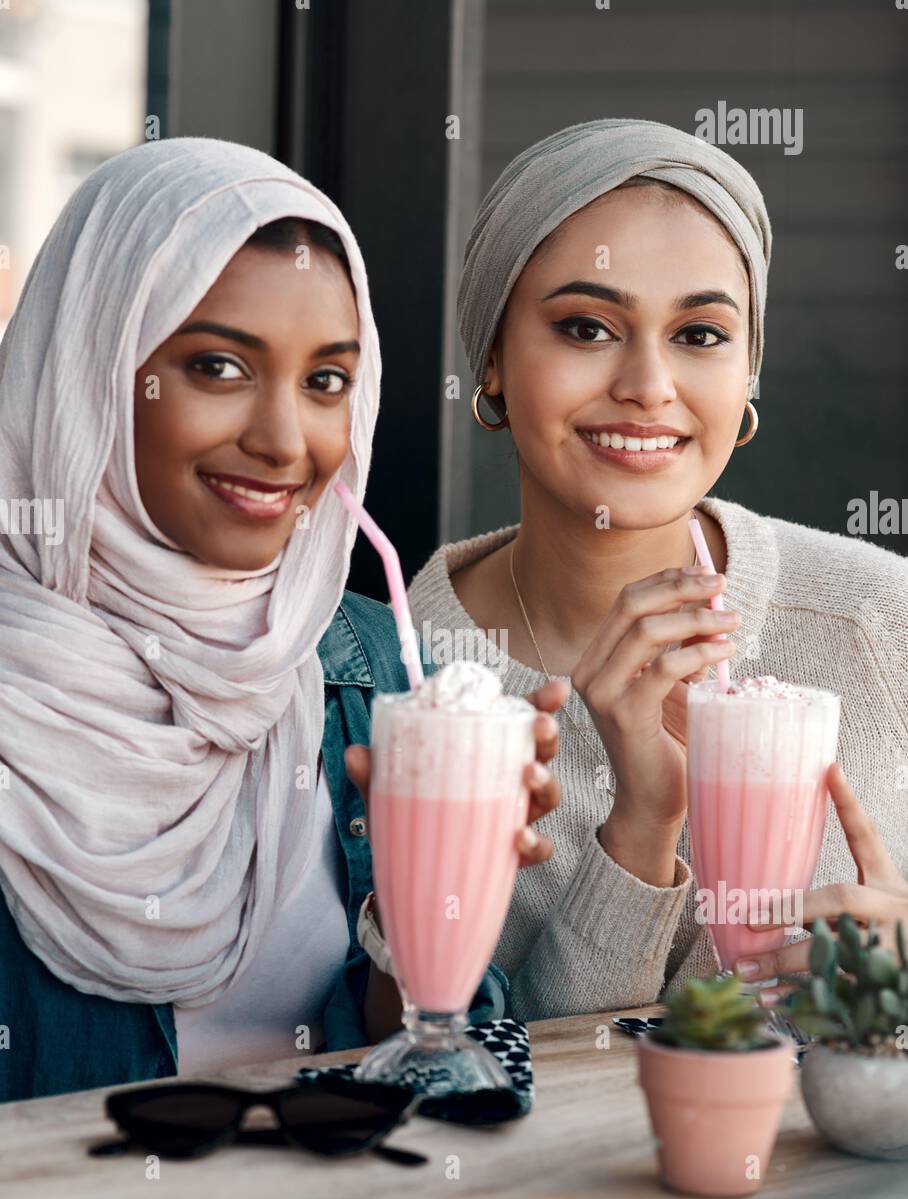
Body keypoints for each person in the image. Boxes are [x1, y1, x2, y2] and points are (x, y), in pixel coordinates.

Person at [0, 136, 564, 1103]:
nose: (284, 441)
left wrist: (427, 910)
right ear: (88, 370)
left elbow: (439, 1075)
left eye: (326, 381)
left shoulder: (379, 667)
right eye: (218, 366)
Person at [407, 117, 908, 1021]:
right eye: (587, 326)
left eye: (702, 335)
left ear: (750, 369)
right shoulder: (401, 680)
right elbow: (462, 1066)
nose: (647, 383)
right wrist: (640, 829)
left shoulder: (879, 618)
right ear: (490, 359)